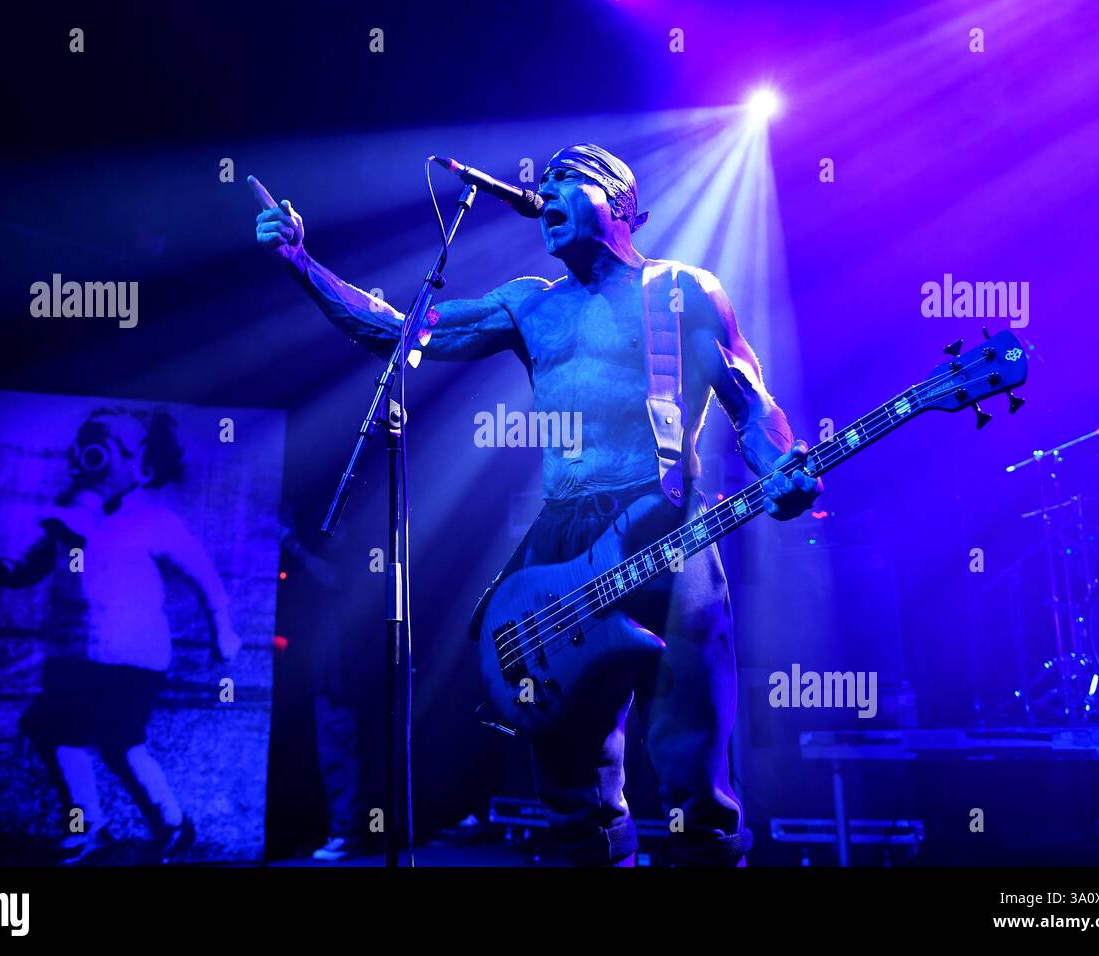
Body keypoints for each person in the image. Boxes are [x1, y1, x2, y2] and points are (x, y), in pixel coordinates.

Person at [250, 143, 821, 866]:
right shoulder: (529, 304)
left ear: (617, 200)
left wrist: (781, 467)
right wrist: (303, 263)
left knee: (694, 786)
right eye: (541, 182)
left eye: (564, 181)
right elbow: (394, 330)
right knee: (572, 796)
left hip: (668, 530)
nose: (543, 194)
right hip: (559, 539)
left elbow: (748, 398)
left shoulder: (683, 288)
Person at [0, 407, 241, 863]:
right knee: (56, 733)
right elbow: (34, 565)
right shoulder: (66, 519)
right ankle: (92, 824)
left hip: (131, 657)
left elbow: (204, 578)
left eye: (108, 447)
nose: (92, 455)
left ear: (142, 466)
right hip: (72, 654)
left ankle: (170, 825)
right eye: (87, 444)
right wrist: (10, 572)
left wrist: (223, 629)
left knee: (120, 744)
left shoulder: (154, 523)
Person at [275, 503, 365, 862]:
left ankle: (348, 833)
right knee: (330, 756)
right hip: (322, 677)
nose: (331, 532)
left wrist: (294, 544)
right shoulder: (329, 560)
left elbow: (336, 580)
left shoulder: (355, 562)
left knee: (339, 755)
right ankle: (339, 830)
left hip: (339, 678)